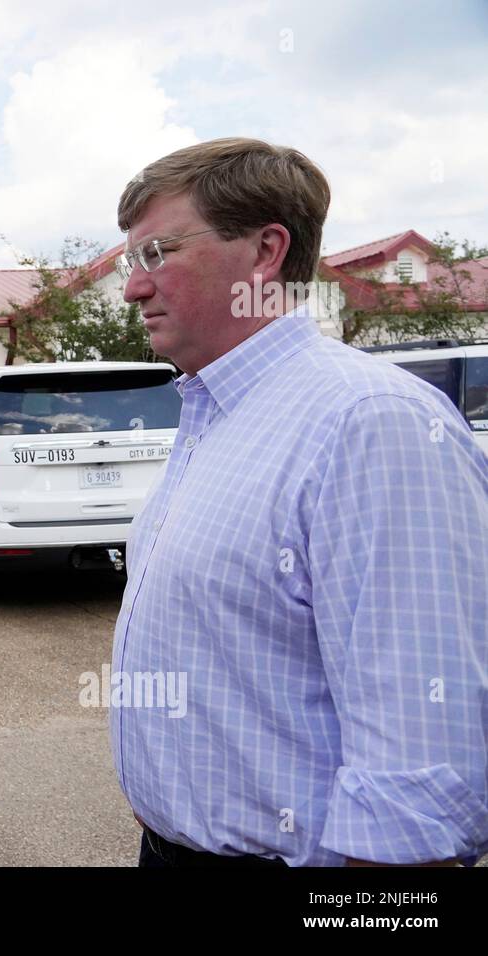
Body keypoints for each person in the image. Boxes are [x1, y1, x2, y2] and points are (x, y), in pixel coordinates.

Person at [110, 137, 488, 867]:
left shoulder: (371, 422)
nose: (133, 286)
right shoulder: (218, 413)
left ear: (265, 252)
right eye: (132, 261)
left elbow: (418, 785)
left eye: (157, 254)